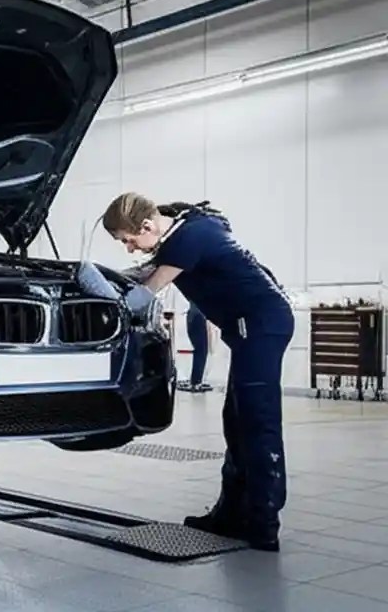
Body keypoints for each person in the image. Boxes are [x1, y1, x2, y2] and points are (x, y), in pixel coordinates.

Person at [102, 193, 292, 552]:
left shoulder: (188, 238)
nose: (129, 249)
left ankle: (264, 523)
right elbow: (144, 272)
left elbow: (146, 291)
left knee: (257, 420)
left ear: (147, 225)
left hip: (263, 325)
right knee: (236, 420)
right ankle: (230, 515)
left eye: (128, 240)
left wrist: (104, 300)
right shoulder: (182, 234)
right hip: (252, 328)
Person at [179, 302, 215, 393]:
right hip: (198, 316)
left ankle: (196, 380)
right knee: (201, 351)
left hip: (194, 315)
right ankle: (196, 382)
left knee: (200, 351)